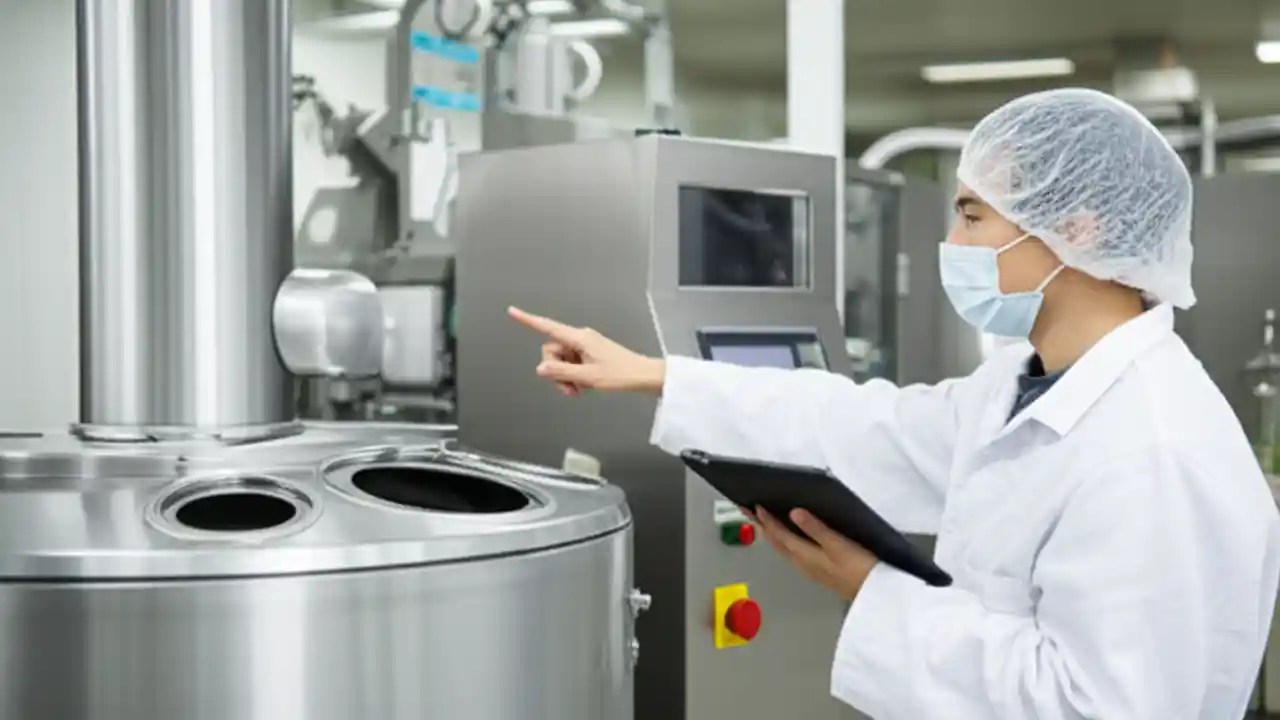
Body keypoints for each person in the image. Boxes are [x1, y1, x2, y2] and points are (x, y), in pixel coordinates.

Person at [509, 88, 1280, 719]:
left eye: (974, 214)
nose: (953, 241)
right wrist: (656, 374)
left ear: (1075, 230)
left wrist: (871, 592)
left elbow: (1098, 708)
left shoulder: (1152, 451)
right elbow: (863, 425)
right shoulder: (1025, 383)